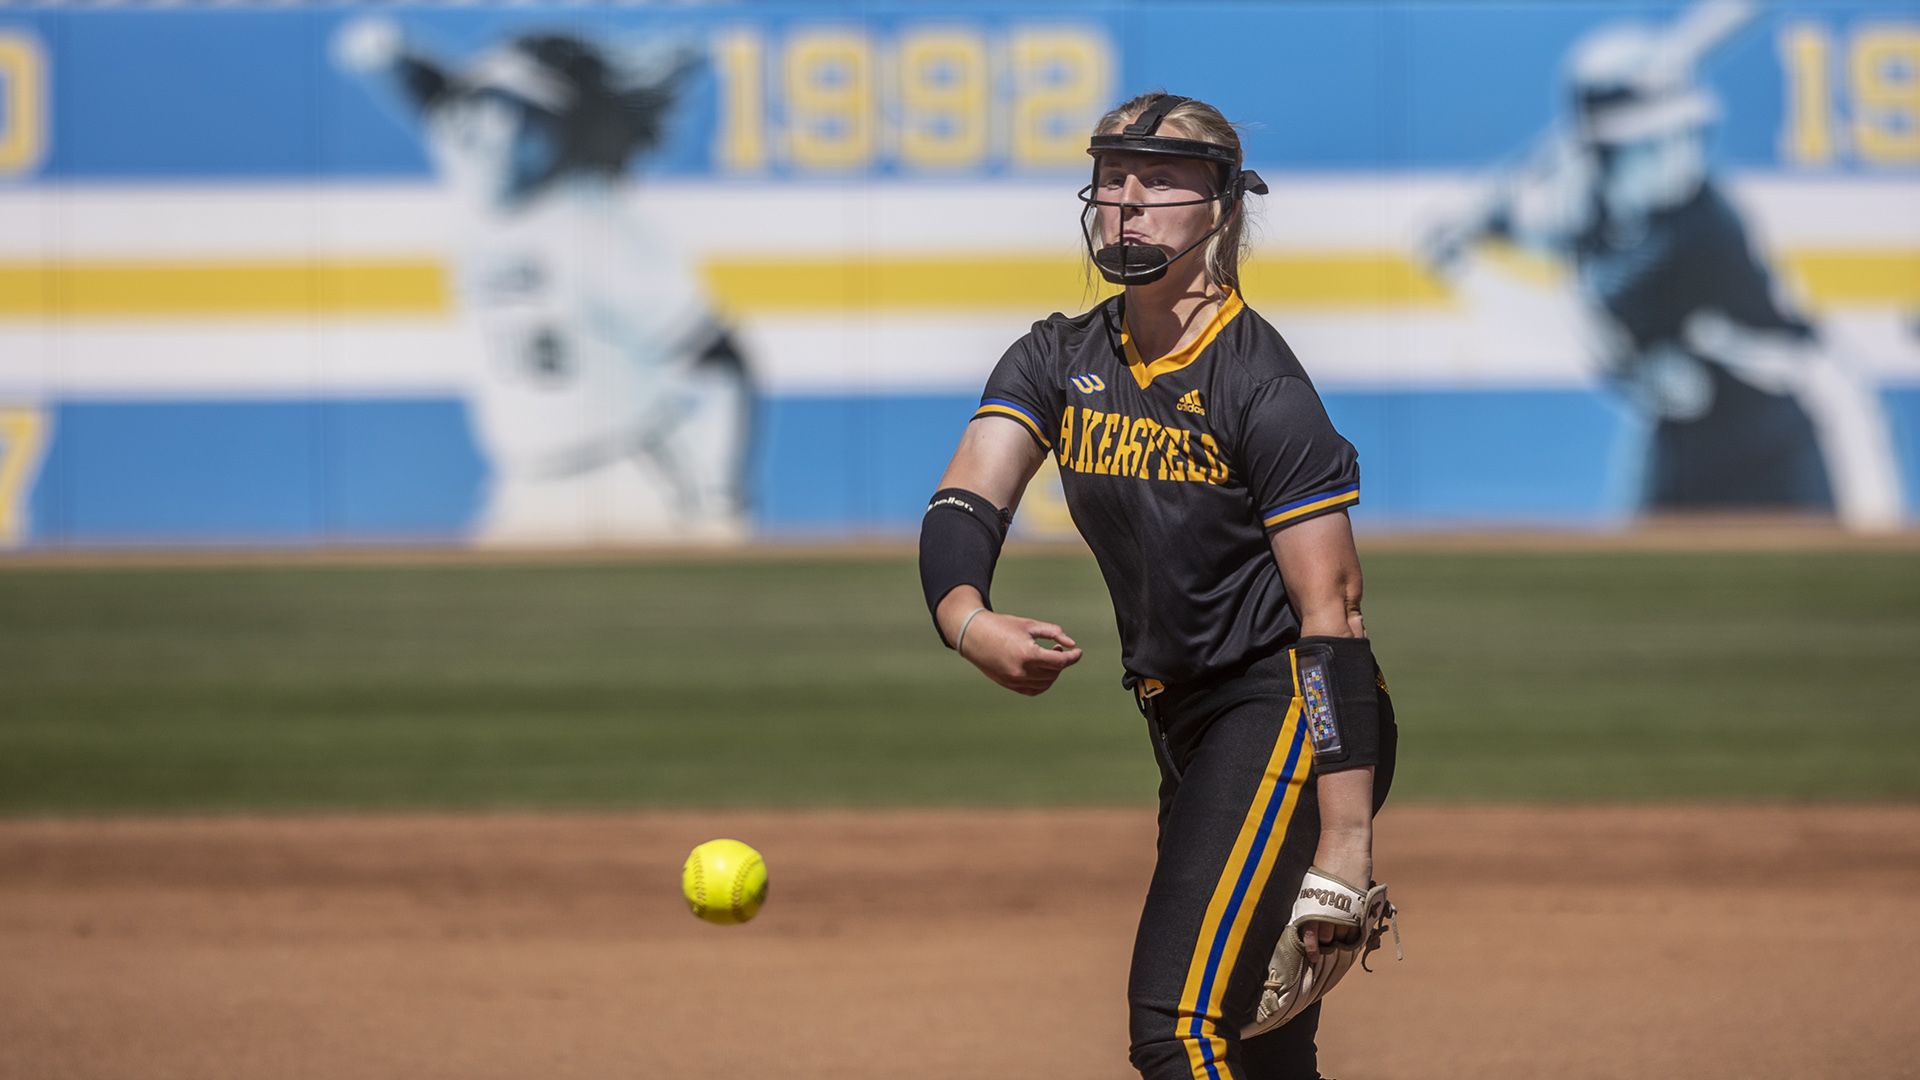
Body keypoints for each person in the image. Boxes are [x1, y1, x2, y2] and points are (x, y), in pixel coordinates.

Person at [918, 93, 1398, 1080]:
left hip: (1287, 715)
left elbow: (1333, 616)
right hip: (1181, 721)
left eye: (1161, 178)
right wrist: (970, 623)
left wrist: (1347, 844)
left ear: (1221, 205)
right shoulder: (1061, 356)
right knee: (1261, 1053)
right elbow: (966, 502)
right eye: (1111, 176)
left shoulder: (1261, 387)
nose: (1127, 200)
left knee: (1176, 1029)